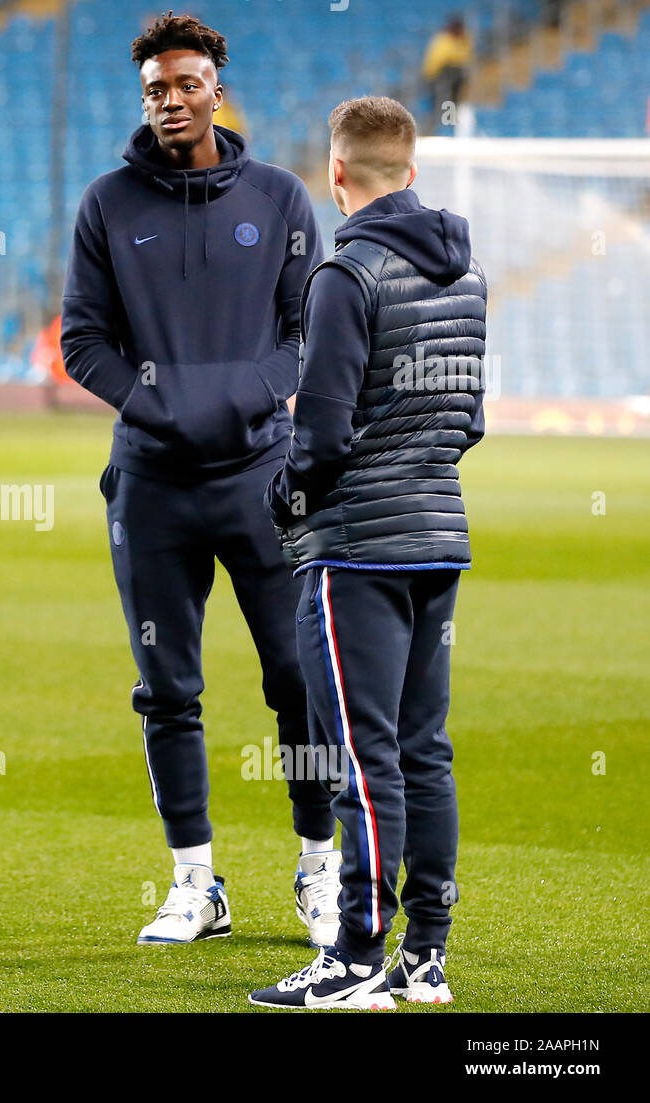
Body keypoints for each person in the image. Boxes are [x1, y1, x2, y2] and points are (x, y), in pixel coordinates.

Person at [60, 12, 339, 948]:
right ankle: (193, 884)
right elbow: (81, 342)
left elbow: (307, 334)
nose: (170, 101)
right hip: (151, 485)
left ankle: (319, 868)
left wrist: (250, 392)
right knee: (166, 686)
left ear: (216, 88)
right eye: (154, 90)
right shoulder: (108, 204)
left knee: (298, 679)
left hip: (264, 477)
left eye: (185, 85)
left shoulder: (282, 197)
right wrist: (156, 403)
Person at [251, 96, 486, 1010]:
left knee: (362, 756)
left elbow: (319, 440)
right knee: (424, 750)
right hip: (437, 537)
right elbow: (471, 418)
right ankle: (425, 956)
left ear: (336, 174)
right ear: (413, 169)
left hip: (356, 549)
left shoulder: (345, 274)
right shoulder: (465, 274)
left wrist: (285, 508)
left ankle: (352, 956)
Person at [422, 14, 474, 132]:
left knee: (452, 107)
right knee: (440, 106)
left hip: (455, 80)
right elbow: (435, 63)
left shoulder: (464, 41)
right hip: (440, 79)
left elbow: (466, 59)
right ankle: (430, 130)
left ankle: (449, 130)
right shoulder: (443, 40)